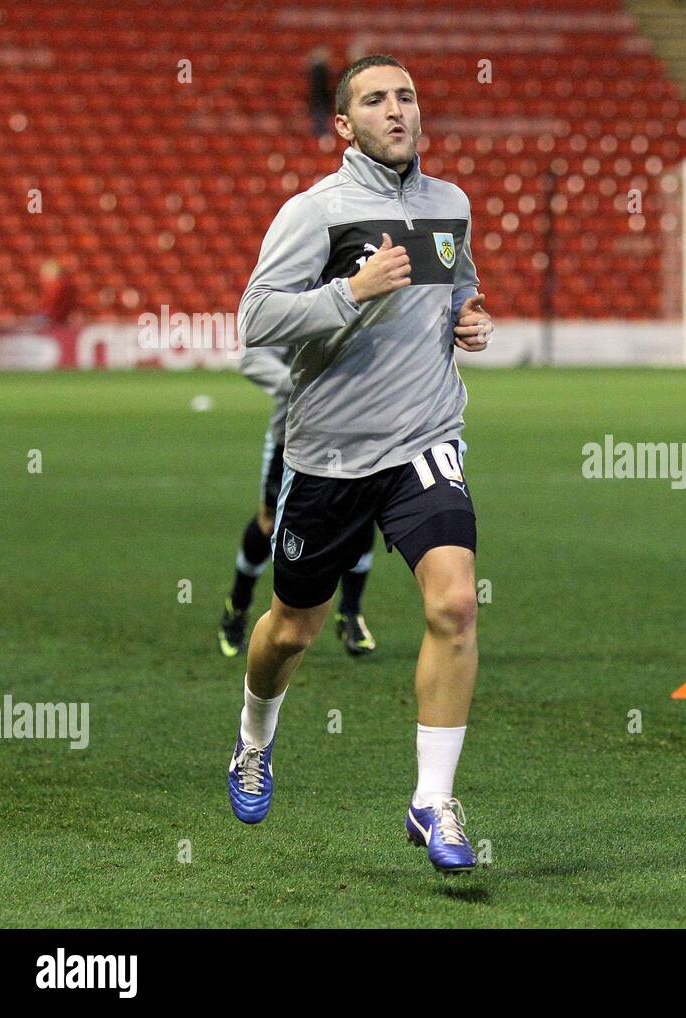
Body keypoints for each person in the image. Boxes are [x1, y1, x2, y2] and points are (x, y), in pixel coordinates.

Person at [227, 54, 493, 874]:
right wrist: (354, 289)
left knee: (454, 604)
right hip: (331, 457)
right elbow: (257, 319)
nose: (396, 110)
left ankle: (432, 800)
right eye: (375, 100)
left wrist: (471, 317)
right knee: (291, 630)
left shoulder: (449, 203)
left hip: (424, 441)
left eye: (406, 95)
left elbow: (459, 289)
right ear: (344, 124)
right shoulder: (316, 212)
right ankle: (252, 741)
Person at [217, 343, 378, 659]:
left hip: (358, 438)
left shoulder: (376, 301)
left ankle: (350, 612)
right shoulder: (305, 297)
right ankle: (237, 605)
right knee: (269, 522)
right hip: (293, 440)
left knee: (361, 519)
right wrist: (306, 386)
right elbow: (254, 358)